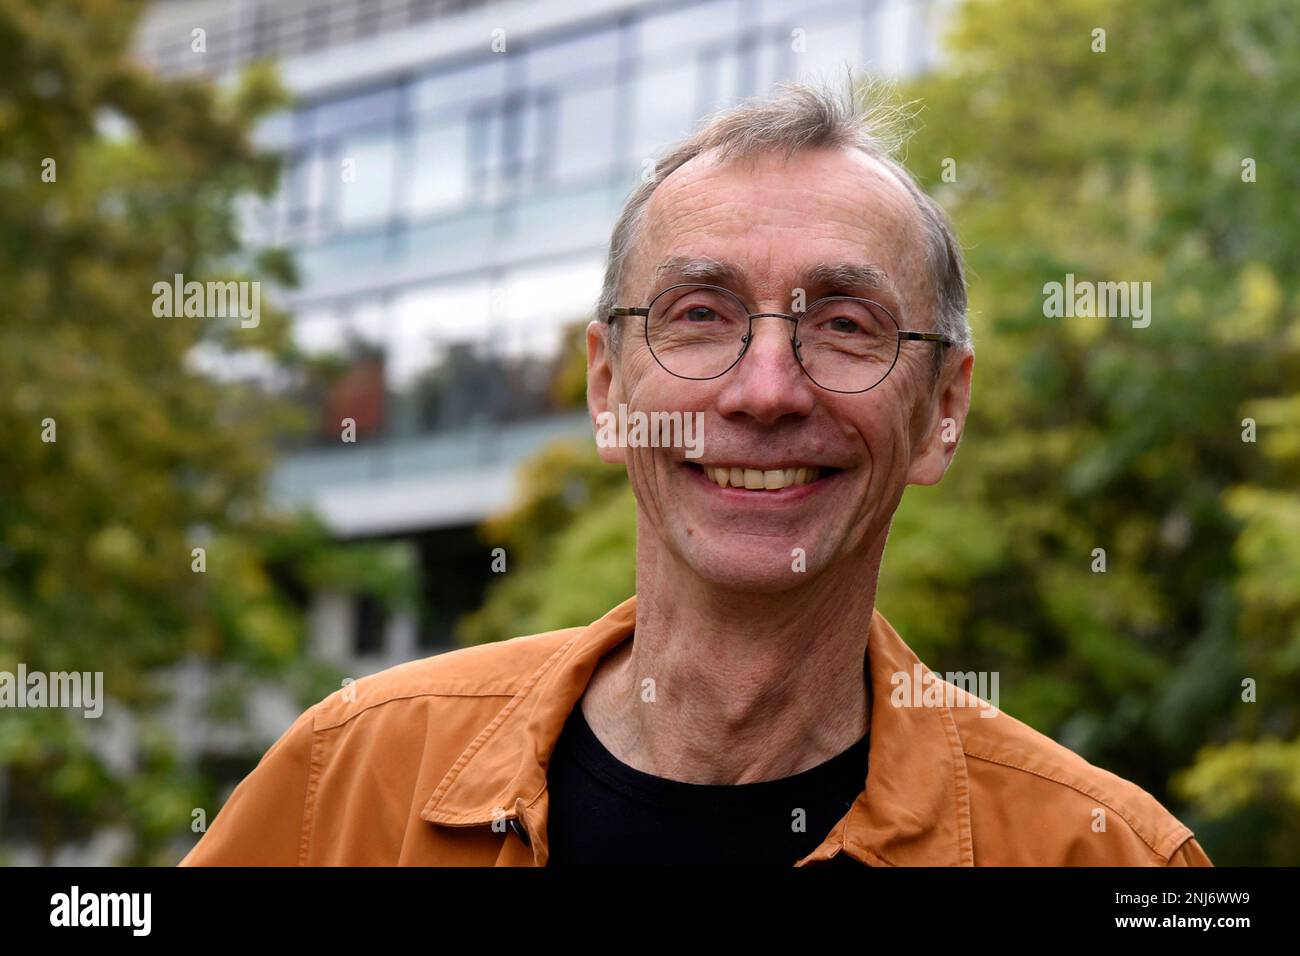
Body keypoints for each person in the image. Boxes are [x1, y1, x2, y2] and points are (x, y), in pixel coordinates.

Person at [180, 79, 1212, 867]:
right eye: (699, 314)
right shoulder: (345, 784)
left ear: (943, 409)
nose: (766, 389)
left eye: (846, 325)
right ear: (604, 389)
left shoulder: (1106, 854)